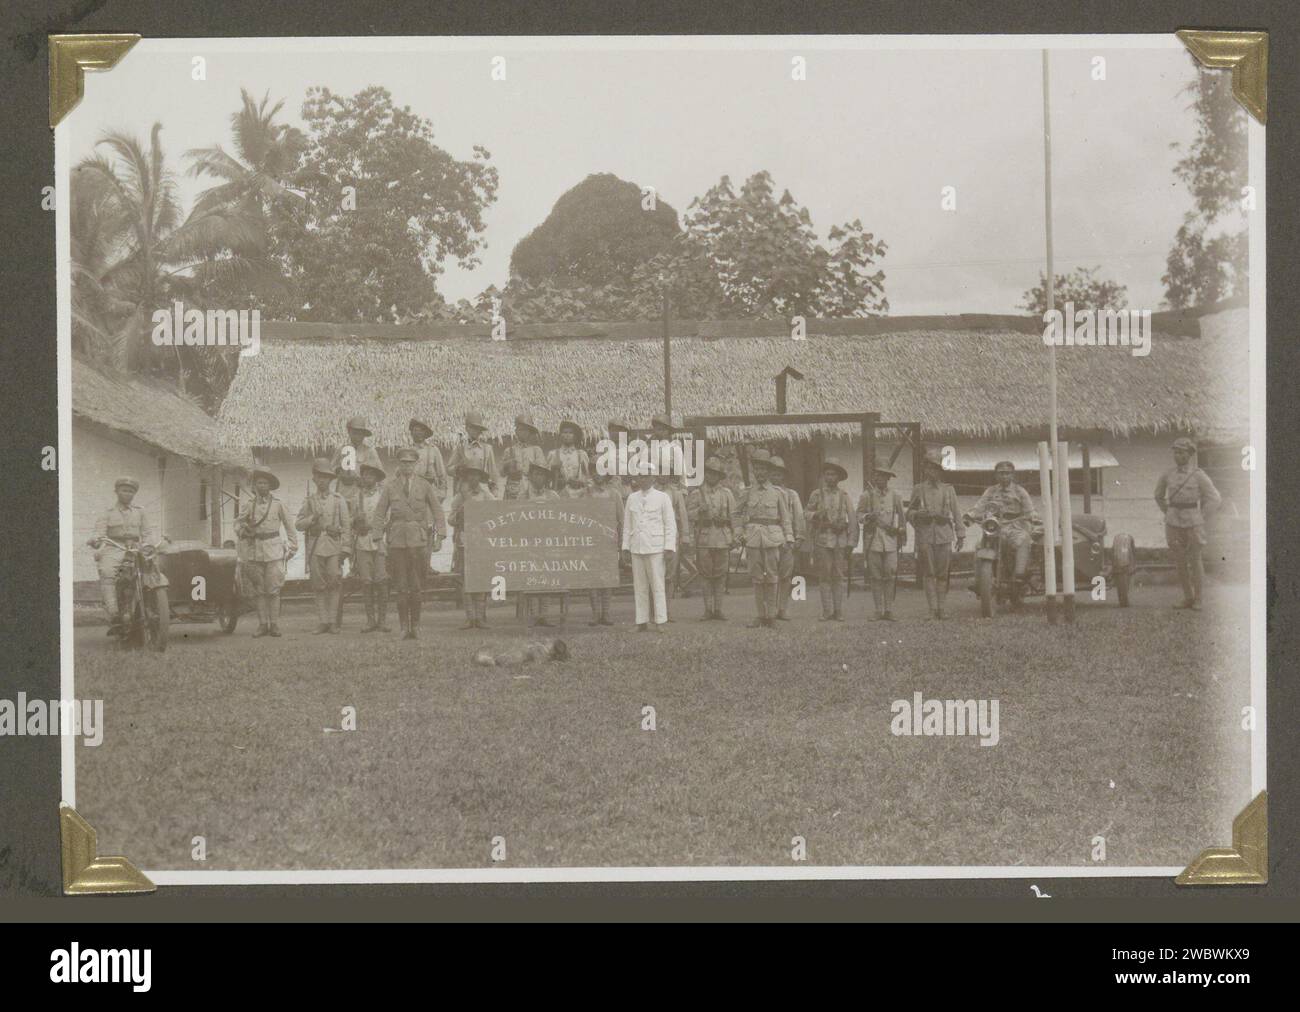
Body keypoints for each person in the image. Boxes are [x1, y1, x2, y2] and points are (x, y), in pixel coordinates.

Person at [375, 446, 446, 639]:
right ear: (399, 464)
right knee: (401, 587)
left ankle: (416, 626)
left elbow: (438, 510)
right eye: (403, 462)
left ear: (416, 464)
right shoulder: (390, 486)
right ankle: (403, 627)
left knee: (416, 586)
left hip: (418, 542)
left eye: (410, 462)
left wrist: (441, 536)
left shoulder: (424, 485)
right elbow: (380, 513)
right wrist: (378, 539)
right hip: (397, 542)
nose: (407, 466)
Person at [1154, 436, 1222, 610]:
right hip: (1173, 522)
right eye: (1176, 452)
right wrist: (1168, 512)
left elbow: (1214, 498)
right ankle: (1187, 597)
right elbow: (1158, 495)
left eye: (1182, 453)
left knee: (1195, 559)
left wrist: (1201, 516)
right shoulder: (1167, 474)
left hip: (1193, 522)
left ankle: (1199, 599)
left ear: (1189, 455)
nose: (1178, 456)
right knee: (1180, 561)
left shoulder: (1199, 475)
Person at [235, 467, 298, 637]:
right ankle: (262, 624)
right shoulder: (249, 505)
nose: (262, 486)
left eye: (265, 483)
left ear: (270, 486)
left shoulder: (278, 504)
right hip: (254, 551)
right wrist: (243, 530)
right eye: (258, 483)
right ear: (254, 486)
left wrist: (293, 547)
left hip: (274, 550)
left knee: (274, 589)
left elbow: (290, 527)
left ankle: (275, 625)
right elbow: (238, 524)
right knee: (259, 590)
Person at [88, 476, 157, 629]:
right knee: (107, 571)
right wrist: (95, 540)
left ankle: (153, 606)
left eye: (131, 491)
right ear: (117, 491)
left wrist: (148, 545)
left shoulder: (140, 512)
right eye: (124, 490)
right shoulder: (108, 512)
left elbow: (147, 533)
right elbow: (99, 532)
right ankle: (114, 614)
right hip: (114, 547)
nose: (127, 494)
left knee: (152, 571)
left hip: (136, 548)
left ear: (134, 494)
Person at [972, 461, 1040, 611]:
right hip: (995, 527)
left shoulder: (1020, 491)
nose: (1004, 476)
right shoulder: (990, 491)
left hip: (1015, 526)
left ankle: (1019, 575)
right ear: (996, 475)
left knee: (1023, 540)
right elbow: (979, 507)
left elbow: (1030, 509)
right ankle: (979, 582)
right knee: (978, 546)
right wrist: (970, 515)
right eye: (1001, 473)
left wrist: (1033, 516)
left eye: (1007, 473)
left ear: (1012, 475)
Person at [738, 451, 793, 628]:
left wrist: (789, 537)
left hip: (772, 538)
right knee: (756, 577)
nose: (760, 473)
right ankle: (760, 615)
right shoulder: (747, 492)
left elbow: (785, 518)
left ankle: (771, 615)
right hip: (753, 538)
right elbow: (735, 513)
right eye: (757, 469)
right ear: (754, 471)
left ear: (769, 472)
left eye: (763, 469)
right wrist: (739, 531)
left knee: (772, 576)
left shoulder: (778, 493)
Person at [297, 459, 352, 634]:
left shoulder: (338, 500)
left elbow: (346, 526)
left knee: (334, 582)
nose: (322, 481)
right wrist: (311, 519)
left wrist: (346, 549)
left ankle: (333, 622)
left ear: (331, 480)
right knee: (318, 585)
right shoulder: (309, 501)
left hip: (334, 546)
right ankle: (323, 621)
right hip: (315, 546)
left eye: (326, 477)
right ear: (314, 479)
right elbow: (298, 524)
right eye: (319, 477)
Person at [908, 454, 963, 619]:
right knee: (929, 573)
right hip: (925, 536)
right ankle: (932, 610)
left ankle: (942, 608)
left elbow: (957, 513)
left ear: (940, 471)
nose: (932, 472)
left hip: (944, 535)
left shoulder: (948, 490)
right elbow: (909, 512)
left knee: (942, 574)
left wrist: (961, 534)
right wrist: (918, 513)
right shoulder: (918, 489)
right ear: (924, 470)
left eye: (936, 469)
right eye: (929, 468)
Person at [622, 471, 677, 632]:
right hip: (637, 546)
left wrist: (669, 547)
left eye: (646, 476)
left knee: (658, 585)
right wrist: (625, 547)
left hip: (655, 547)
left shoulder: (662, 497)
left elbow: (670, 524)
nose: (643, 479)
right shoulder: (632, 498)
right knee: (639, 586)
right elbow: (627, 525)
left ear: (653, 478)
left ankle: (660, 620)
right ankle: (641, 621)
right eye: (640, 476)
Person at [688, 456, 737, 621]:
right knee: (705, 575)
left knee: (721, 575)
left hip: (722, 538)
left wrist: (734, 533)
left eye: (715, 473)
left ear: (719, 476)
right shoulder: (696, 493)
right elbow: (688, 514)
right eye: (709, 472)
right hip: (704, 538)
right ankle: (708, 609)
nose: (712, 476)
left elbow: (735, 517)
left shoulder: (727, 493)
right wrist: (699, 512)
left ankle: (719, 609)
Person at [449, 463, 497, 629]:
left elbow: (495, 514)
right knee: (465, 579)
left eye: (476, 475)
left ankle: (480, 617)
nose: (473, 478)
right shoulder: (459, 496)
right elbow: (451, 519)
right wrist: (460, 512)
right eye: (470, 475)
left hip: (482, 541)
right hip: (464, 541)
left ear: (480, 477)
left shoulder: (487, 494)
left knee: (481, 577)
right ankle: (470, 617)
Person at [806, 458, 854, 621]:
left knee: (838, 575)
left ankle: (838, 611)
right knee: (824, 575)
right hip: (822, 539)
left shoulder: (844, 495)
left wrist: (851, 542)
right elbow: (805, 513)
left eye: (833, 474)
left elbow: (852, 519)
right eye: (827, 474)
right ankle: (827, 611)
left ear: (839, 477)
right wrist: (815, 514)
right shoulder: (816, 494)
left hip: (840, 540)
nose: (830, 477)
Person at [857, 465, 907, 621]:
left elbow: (902, 518)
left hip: (891, 541)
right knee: (876, 576)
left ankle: (889, 610)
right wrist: (867, 517)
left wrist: (902, 535)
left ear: (888, 478)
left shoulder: (895, 495)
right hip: (873, 540)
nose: (881, 479)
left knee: (890, 574)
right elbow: (859, 514)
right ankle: (878, 610)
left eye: (884, 476)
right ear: (874, 477)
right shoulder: (867, 496)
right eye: (878, 475)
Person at [522, 461, 563, 627]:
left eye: (542, 475)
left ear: (546, 478)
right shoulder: (524, 495)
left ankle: (544, 614)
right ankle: (533, 615)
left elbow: (561, 518)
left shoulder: (553, 496)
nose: (538, 478)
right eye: (535, 474)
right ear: (530, 477)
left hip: (548, 541)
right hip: (529, 541)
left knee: (546, 577)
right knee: (532, 578)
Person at [352, 462, 391, 633]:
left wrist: (375, 527)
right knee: (366, 582)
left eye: (371, 475)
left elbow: (388, 518)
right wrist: (357, 524)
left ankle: (382, 621)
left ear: (376, 478)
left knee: (381, 581)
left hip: (379, 541)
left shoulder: (383, 496)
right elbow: (350, 521)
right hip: (361, 544)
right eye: (365, 475)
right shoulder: (356, 497)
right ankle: (370, 621)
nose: (368, 478)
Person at [767, 455, 806, 621]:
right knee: (769, 575)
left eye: (779, 473)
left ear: (783, 475)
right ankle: (770, 609)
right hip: (768, 539)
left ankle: (782, 608)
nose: (776, 476)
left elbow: (798, 516)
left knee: (785, 575)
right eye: (773, 473)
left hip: (786, 539)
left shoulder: (791, 495)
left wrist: (799, 537)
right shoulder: (762, 493)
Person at [587, 470, 623, 626]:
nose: (597, 474)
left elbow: (621, 519)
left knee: (608, 578)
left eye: (600, 470)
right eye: (594, 469)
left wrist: (621, 542)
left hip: (609, 540)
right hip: (592, 540)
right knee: (593, 578)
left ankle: (606, 613)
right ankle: (595, 614)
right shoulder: (587, 493)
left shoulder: (614, 494)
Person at [447, 411, 499, 496]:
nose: (475, 430)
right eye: (472, 427)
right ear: (467, 428)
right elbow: (449, 470)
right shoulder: (460, 448)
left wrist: (494, 493)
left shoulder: (487, 449)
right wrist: (458, 467)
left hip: (481, 491)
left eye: (478, 428)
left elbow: (493, 474)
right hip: (464, 492)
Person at [500, 414, 547, 501]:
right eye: (521, 430)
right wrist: (507, 466)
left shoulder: (536, 450)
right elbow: (501, 474)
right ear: (516, 431)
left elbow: (542, 472)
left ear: (530, 432)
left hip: (530, 491)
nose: (523, 433)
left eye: (526, 430)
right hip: (513, 490)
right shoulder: (509, 451)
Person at [409, 418, 449, 503]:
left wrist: (442, 494)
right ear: (411, 433)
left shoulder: (433, 450)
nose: (418, 433)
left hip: (431, 494)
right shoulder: (407, 450)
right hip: (412, 494)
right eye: (416, 430)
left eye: (421, 431)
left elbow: (442, 474)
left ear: (425, 433)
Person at [548, 419, 590, 492]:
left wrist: (580, 482)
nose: (567, 435)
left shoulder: (581, 454)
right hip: (559, 495)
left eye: (571, 433)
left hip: (578, 495)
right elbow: (546, 479)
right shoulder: (553, 454)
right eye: (565, 432)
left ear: (575, 436)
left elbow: (588, 477)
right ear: (560, 435)